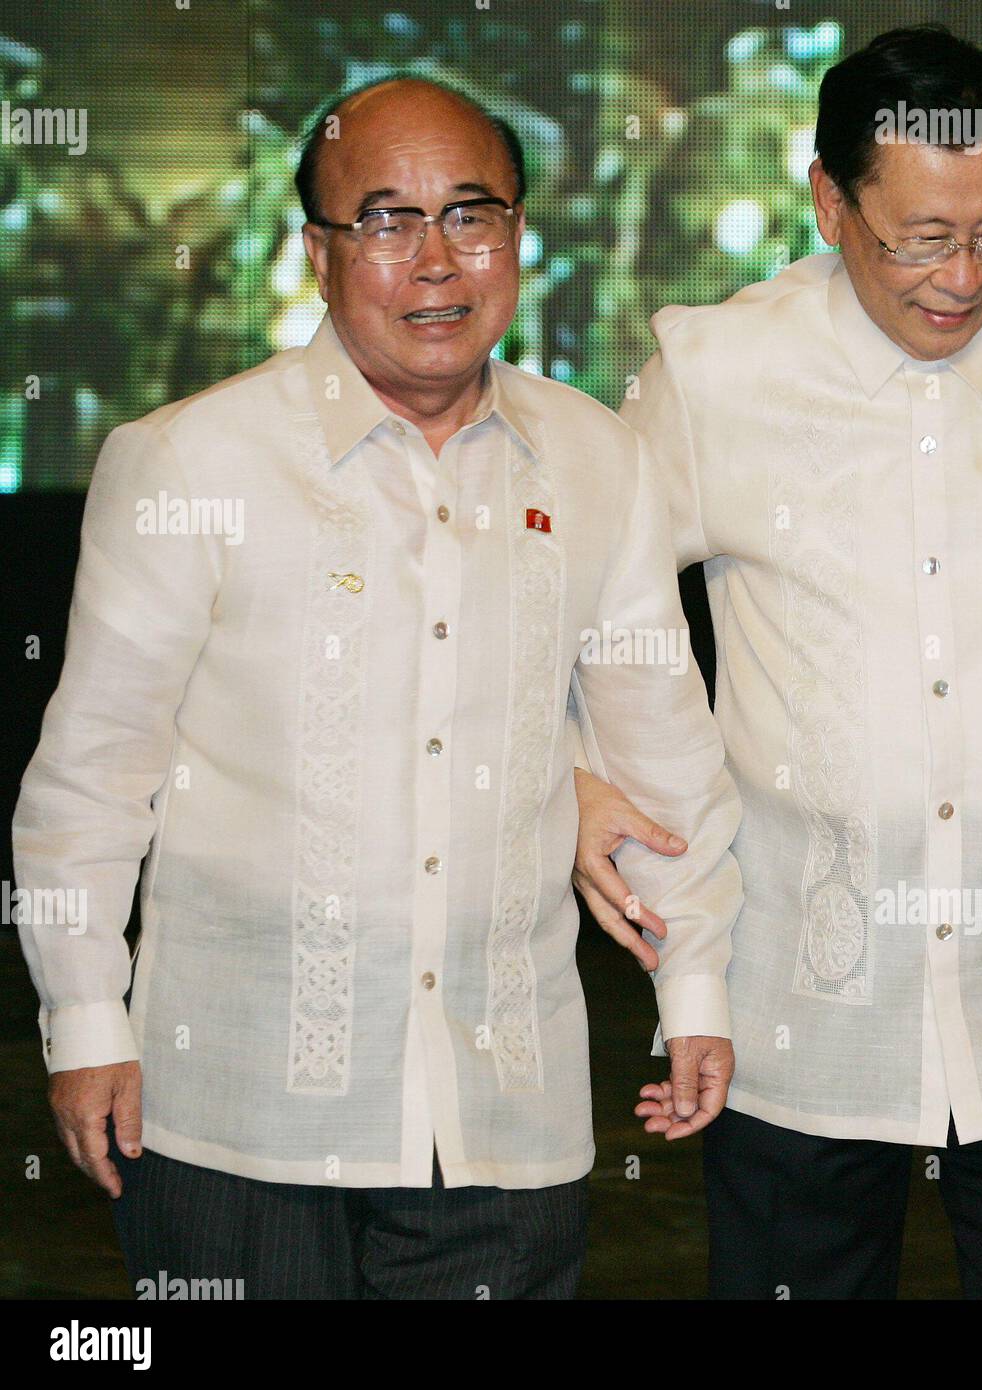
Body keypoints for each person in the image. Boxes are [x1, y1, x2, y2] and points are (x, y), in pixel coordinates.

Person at [14, 77, 742, 1300]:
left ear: (518, 234)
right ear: (318, 252)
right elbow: (93, 775)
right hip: (232, 1118)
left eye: (472, 214)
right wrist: (85, 1021)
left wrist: (697, 985)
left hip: (504, 1119)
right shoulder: (190, 461)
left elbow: (660, 746)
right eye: (388, 222)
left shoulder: (597, 459)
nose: (438, 262)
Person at [573, 25, 982, 1300]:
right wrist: (570, 774)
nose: (964, 275)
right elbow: (566, 603)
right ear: (829, 202)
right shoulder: (719, 373)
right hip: (799, 1015)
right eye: (922, 239)